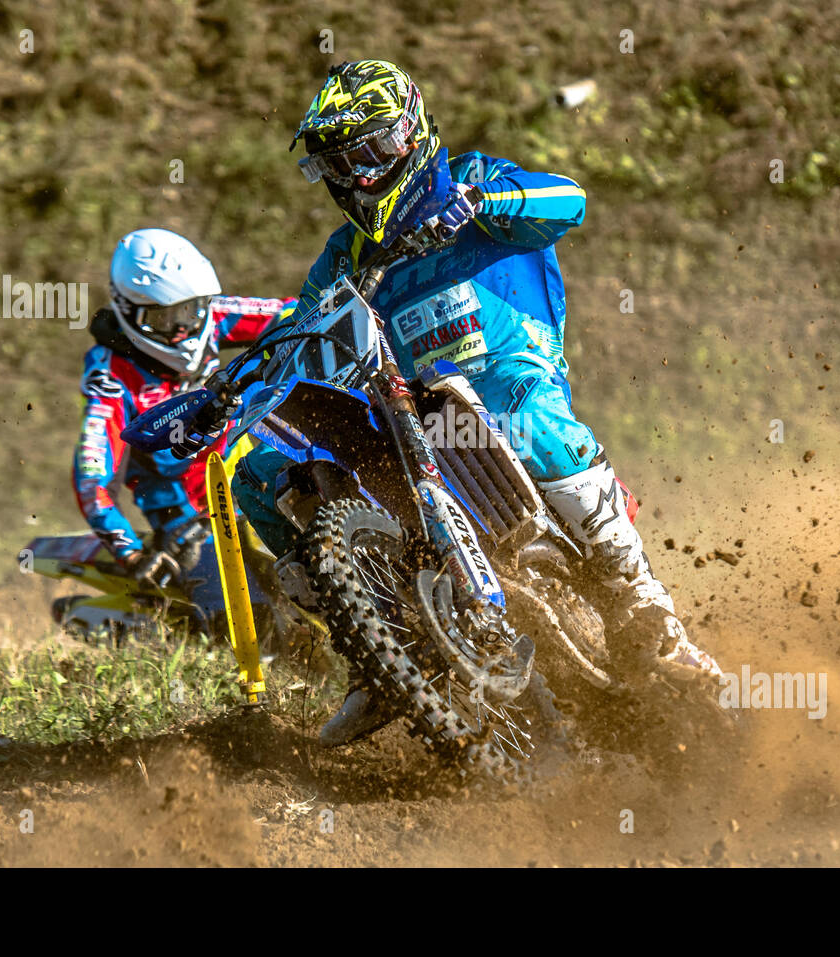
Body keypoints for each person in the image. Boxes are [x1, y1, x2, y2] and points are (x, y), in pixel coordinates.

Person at [229, 60, 722, 743]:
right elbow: (303, 325)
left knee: (529, 420)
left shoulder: (474, 180)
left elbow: (570, 200)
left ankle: (644, 608)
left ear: (411, 131)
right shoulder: (342, 258)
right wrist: (230, 387)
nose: (360, 176)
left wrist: (484, 204)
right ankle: (378, 651)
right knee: (257, 475)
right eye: (339, 164)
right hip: (404, 419)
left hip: (506, 381)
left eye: (371, 151)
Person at [73, 227, 295, 610]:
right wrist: (131, 554)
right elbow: (92, 482)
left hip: (246, 465)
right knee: (248, 614)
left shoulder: (210, 315)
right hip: (188, 518)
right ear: (130, 312)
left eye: (190, 310)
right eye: (165, 318)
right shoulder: (110, 381)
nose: (183, 328)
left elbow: (293, 312)